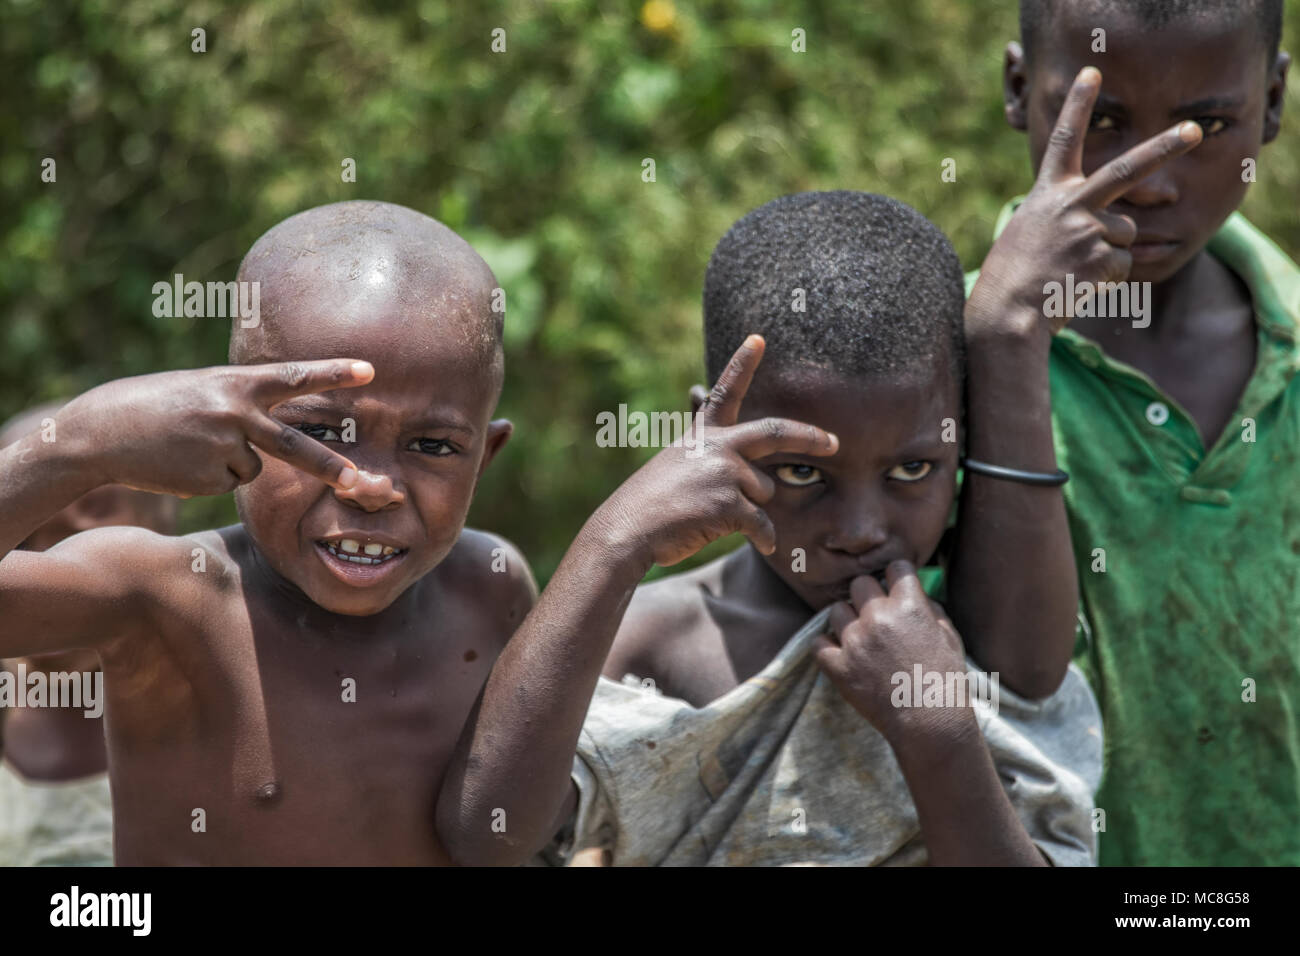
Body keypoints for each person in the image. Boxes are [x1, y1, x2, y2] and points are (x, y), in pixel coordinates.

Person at [439, 192, 1104, 866]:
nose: (859, 530)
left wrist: (937, 736)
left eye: (911, 470)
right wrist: (616, 540)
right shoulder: (650, 648)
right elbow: (484, 835)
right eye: (801, 473)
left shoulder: (985, 641)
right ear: (711, 432)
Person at [0, 200, 535, 864]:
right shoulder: (163, 598)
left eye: (432, 445)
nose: (370, 486)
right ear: (232, 424)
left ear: (485, 456)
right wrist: (81, 443)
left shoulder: (490, 587)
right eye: (315, 433)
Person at [966, 0, 1298, 865]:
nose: (1147, 181)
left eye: (1204, 124)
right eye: (1103, 120)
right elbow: (1002, 681)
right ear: (1016, 91)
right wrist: (1003, 343)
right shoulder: (925, 362)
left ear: (1272, 102)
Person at [0, 402, 178, 866]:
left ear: (161, 527)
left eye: (76, 544)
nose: (40, 576)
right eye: (19, 543)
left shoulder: (223, 702)